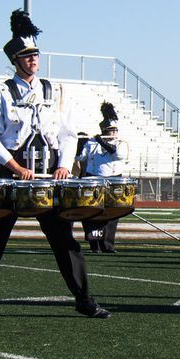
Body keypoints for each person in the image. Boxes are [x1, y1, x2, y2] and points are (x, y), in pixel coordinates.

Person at [0, 10, 110, 320]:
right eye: (26, 55)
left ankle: (84, 300)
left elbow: (67, 134)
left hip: (48, 177)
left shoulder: (55, 90)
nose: (33, 59)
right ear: (15, 60)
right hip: (11, 176)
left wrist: (64, 164)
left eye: (35, 53)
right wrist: (12, 165)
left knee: (65, 240)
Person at [77, 101, 129, 253]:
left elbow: (117, 154)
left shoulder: (121, 143)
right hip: (93, 179)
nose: (113, 133)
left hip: (114, 180)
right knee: (92, 212)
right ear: (104, 130)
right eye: (110, 130)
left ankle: (107, 245)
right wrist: (80, 143)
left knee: (113, 213)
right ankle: (94, 243)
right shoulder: (92, 143)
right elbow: (80, 158)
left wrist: (101, 141)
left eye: (114, 130)